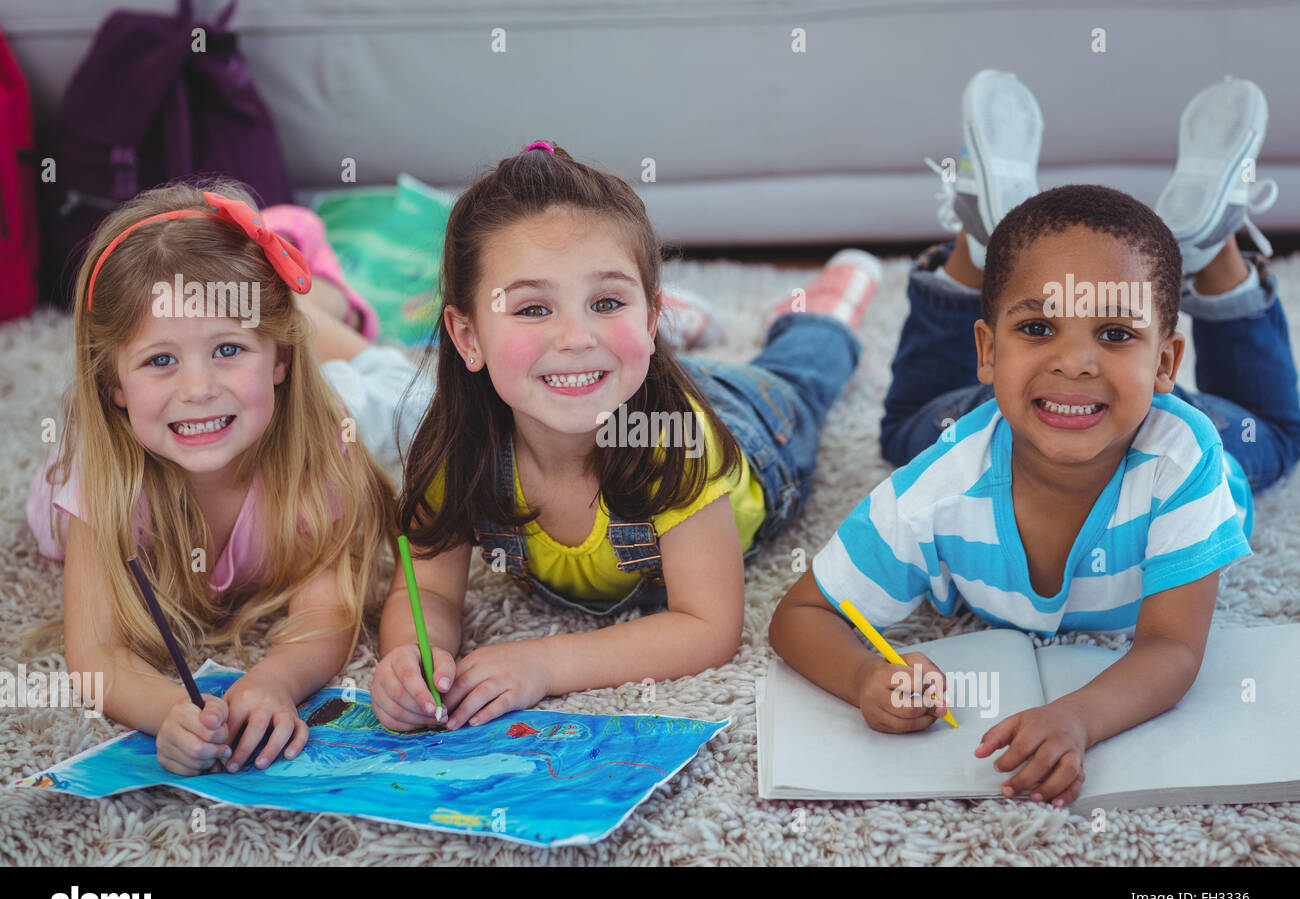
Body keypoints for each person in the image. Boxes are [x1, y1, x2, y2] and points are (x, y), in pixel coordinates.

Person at [769, 72, 1300, 809]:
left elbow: (1173, 650)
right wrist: (865, 677)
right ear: (984, 351)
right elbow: (801, 614)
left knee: (1269, 433)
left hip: (1115, 411)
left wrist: (1077, 717)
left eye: (1114, 333)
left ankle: (1208, 250)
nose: (1075, 360)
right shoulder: (942, 481)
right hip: (983, 414)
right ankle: (993, 238)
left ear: (1168, 363)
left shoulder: (1187, 459)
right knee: (913, 429)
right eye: (1038, 326)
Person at [371, 141, 879, 733]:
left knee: (802, 372)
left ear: (647, 318)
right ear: (467, 338)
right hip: (624, 377)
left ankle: (821, 311)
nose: (575, 336)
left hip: (747, 424)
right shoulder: (457, 450)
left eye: (605, 302)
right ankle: (665, 317)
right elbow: (428, 591)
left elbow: (707, 626)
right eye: (534, 309)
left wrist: (540, 662)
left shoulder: (676, 445)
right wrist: (409, 656)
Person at [25, 180, 413, 776]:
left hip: (294, 408)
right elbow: (97, 652)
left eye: (228, 348)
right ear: (115, 387)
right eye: (160, 360)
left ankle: (317, 301)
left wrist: (274, 681)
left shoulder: (320, 454)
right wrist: (167, 708)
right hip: (245, 406)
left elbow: (325, 615)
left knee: (405, 396)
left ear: (280, 360)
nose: (197, 388)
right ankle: (286, 293)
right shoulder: (100, 478)